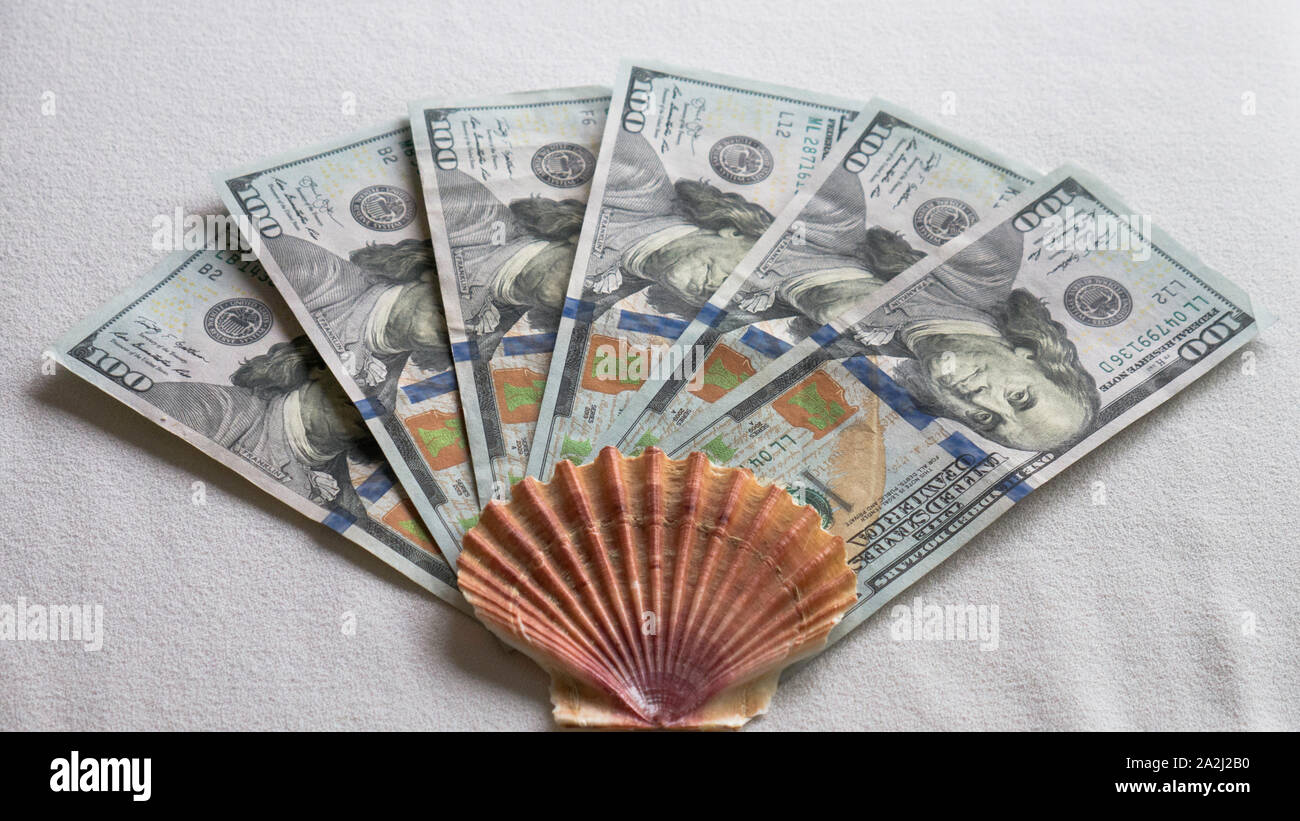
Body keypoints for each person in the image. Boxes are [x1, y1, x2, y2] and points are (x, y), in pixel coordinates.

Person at [845, 221, 1100, 452]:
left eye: (985, 419)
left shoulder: (848, 349)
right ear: (1030, 356)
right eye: (1019, 397)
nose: (979, 398)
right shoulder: (988, 265)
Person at [261, 235, 452, 406]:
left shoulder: (382, 398)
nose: (463, 326)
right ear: (432, 275)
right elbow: (235, 235)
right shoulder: (319, 270)